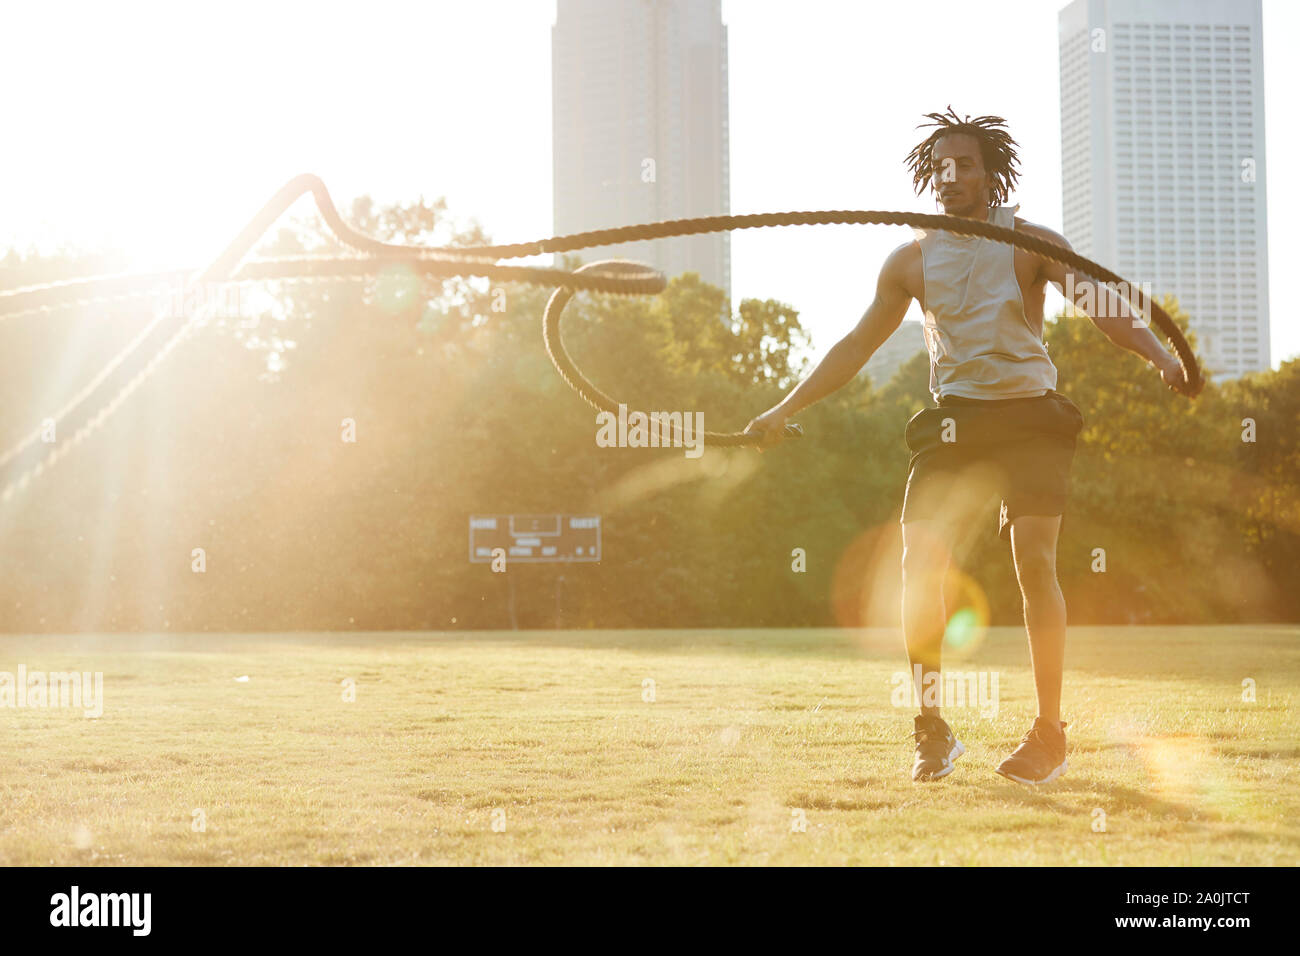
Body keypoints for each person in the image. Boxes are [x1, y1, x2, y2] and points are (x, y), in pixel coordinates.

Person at [744, 106, 1201, 785]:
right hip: (954, 422)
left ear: (991, 175)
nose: (950, 176)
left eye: (964, 165)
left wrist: (1162, 358)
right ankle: (932, 730)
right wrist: (783, 407)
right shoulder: (910, 260)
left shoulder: (1029, 244)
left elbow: (1102, 305)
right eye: (941, 167)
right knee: (915, 565)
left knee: (1034, 564)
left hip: (1030, 419)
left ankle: (1050, 734)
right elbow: (855, 346)